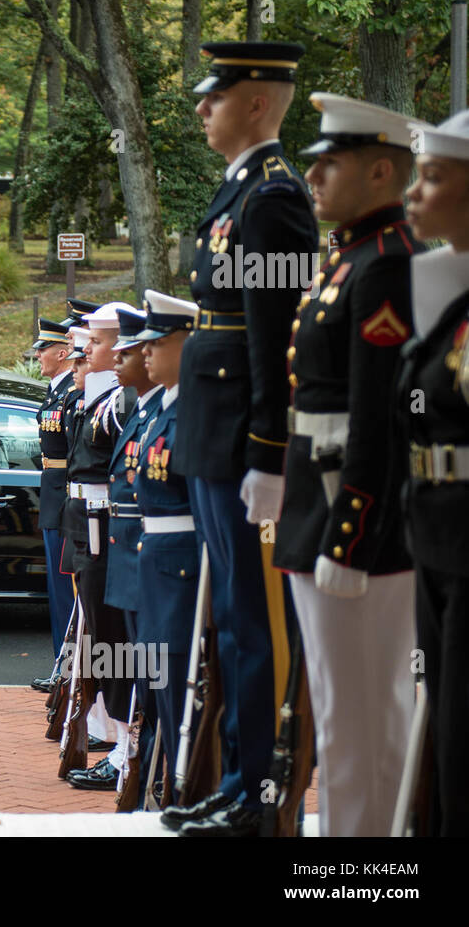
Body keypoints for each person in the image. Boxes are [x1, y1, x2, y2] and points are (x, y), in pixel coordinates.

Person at [166, 42, 317, 837]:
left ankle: (261, 794)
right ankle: (234, 780)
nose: (202, 108)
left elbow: (276, 335)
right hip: (211, 433)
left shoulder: (274, 199)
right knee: (232, 616)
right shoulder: (237, 193)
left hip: (241, 441)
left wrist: (270, 451)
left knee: (257, 623)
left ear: (257, 103)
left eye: (214, 96)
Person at [270, 93, 423, 837]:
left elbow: (380, 419)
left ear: (382, 170)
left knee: (368, 724)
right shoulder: (354, 258)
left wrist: (351, 536)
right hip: (318, 507)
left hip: (352, 520)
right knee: (339, 720)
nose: (316, 178)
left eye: (331, 164)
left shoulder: (391, 264)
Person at [399, 109, 469, 836]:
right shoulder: (444, 295)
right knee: (445, 745)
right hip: (437, 541)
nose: (415, 194)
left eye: (436, 177)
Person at [61, 302, 138, 791]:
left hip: (108, 527)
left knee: (119, 640)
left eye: (99, 340)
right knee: (105, 638)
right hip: (85, 520)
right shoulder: (102, 396)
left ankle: (127, 747)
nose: (87, 348)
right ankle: (117, 738)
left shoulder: (125, 402)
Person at [132, 290, 201, 797]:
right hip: (156, 564)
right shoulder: (161, 410)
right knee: (161, 683)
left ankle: (186, 791)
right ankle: (173, 792)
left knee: (180, 687)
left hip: (181, 567)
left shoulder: (191, 414)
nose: (146, 351)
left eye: (157, 342)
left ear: (185, 343)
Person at [30, 316, 77, 692]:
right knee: (57, 590)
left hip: (64, 494)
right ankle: (62, 665)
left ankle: (68, 667)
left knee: (67, 590)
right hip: (53, 490)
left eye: (43, 349)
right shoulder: (55, 393)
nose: (38, 355)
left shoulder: (71, 396)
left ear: (63, 353)